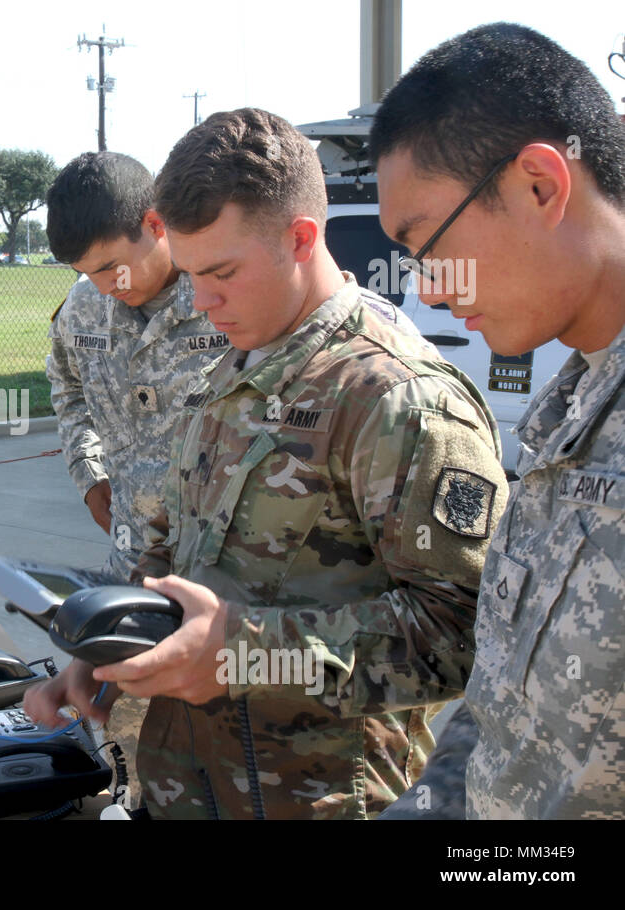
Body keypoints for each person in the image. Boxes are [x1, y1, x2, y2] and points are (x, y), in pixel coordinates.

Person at [26, 108, 508, 819]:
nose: (200, 299)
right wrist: (107, 649)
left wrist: (244, 653)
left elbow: (464, 633)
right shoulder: (231, 366)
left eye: (221, 273)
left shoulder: (398, 400)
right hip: (183, 788)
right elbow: (175, 552)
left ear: (301, 239)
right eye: (191, 275)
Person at [370, 22, 625, 819]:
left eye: (427, 245)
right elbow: (498, 712)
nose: (430, 291)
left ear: (540, 185)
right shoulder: (563, 417)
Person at [43, 152, 230, 796]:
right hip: (131, 562)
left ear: (155, 224)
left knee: (221, 747)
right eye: (83, 273)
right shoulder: (85, 307)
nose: (101, 286)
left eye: (107, 266)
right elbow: (65, 386)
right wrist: (88, 468)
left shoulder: (226, 299)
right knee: (129, 733)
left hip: (224, 577)